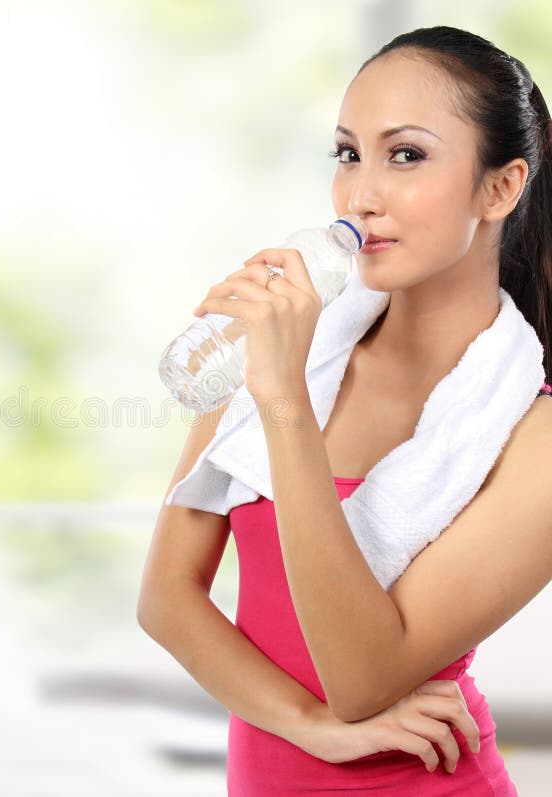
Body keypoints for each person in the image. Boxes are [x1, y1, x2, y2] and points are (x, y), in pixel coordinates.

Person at [137, 25, 552, 795]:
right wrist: (306, 723)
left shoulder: (535, 440)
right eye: (347, 153)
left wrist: (286, 402)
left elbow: (362, 676)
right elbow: (165, 596)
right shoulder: (282, 347)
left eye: (406, 155)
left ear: (500, 188)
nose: (361, 194)